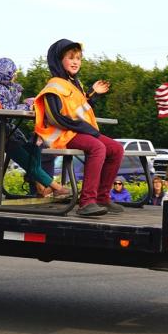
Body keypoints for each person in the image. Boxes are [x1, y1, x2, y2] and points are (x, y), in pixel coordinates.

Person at [33, 38, 123, 218]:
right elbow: (56, 118)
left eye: (79, 58)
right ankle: (87, 203)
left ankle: (101, 197)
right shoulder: (54, 85)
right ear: (59, 60)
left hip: (77, 132)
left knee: (116, 149)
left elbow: (81, 109)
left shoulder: (74, 84)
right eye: (71, 57)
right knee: (98, 147)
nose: (76, 62)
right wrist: (87, 129)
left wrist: (92, 93)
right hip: (63, 136)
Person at [0, 57, 69, 199]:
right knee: (27, 159)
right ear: (6, 74)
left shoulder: (5, 88)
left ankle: (39, 186)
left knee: (33, 148)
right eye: (13, 73)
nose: (15, 76)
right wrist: (27, 105)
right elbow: (7, 110)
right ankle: (54, 187)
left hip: (9, 132)